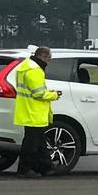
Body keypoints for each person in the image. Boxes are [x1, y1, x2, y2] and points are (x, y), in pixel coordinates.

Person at [11, 46, 63, 178]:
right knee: (32, 144)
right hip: (35, 111)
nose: (50, 60)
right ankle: (24, 170)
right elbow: (39, 93)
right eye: (49, 57)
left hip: (27, 110)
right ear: (43, 56)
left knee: (38, 142)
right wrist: (54, 95)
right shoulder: (35, 71)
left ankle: (45, 168)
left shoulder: (24, 67)